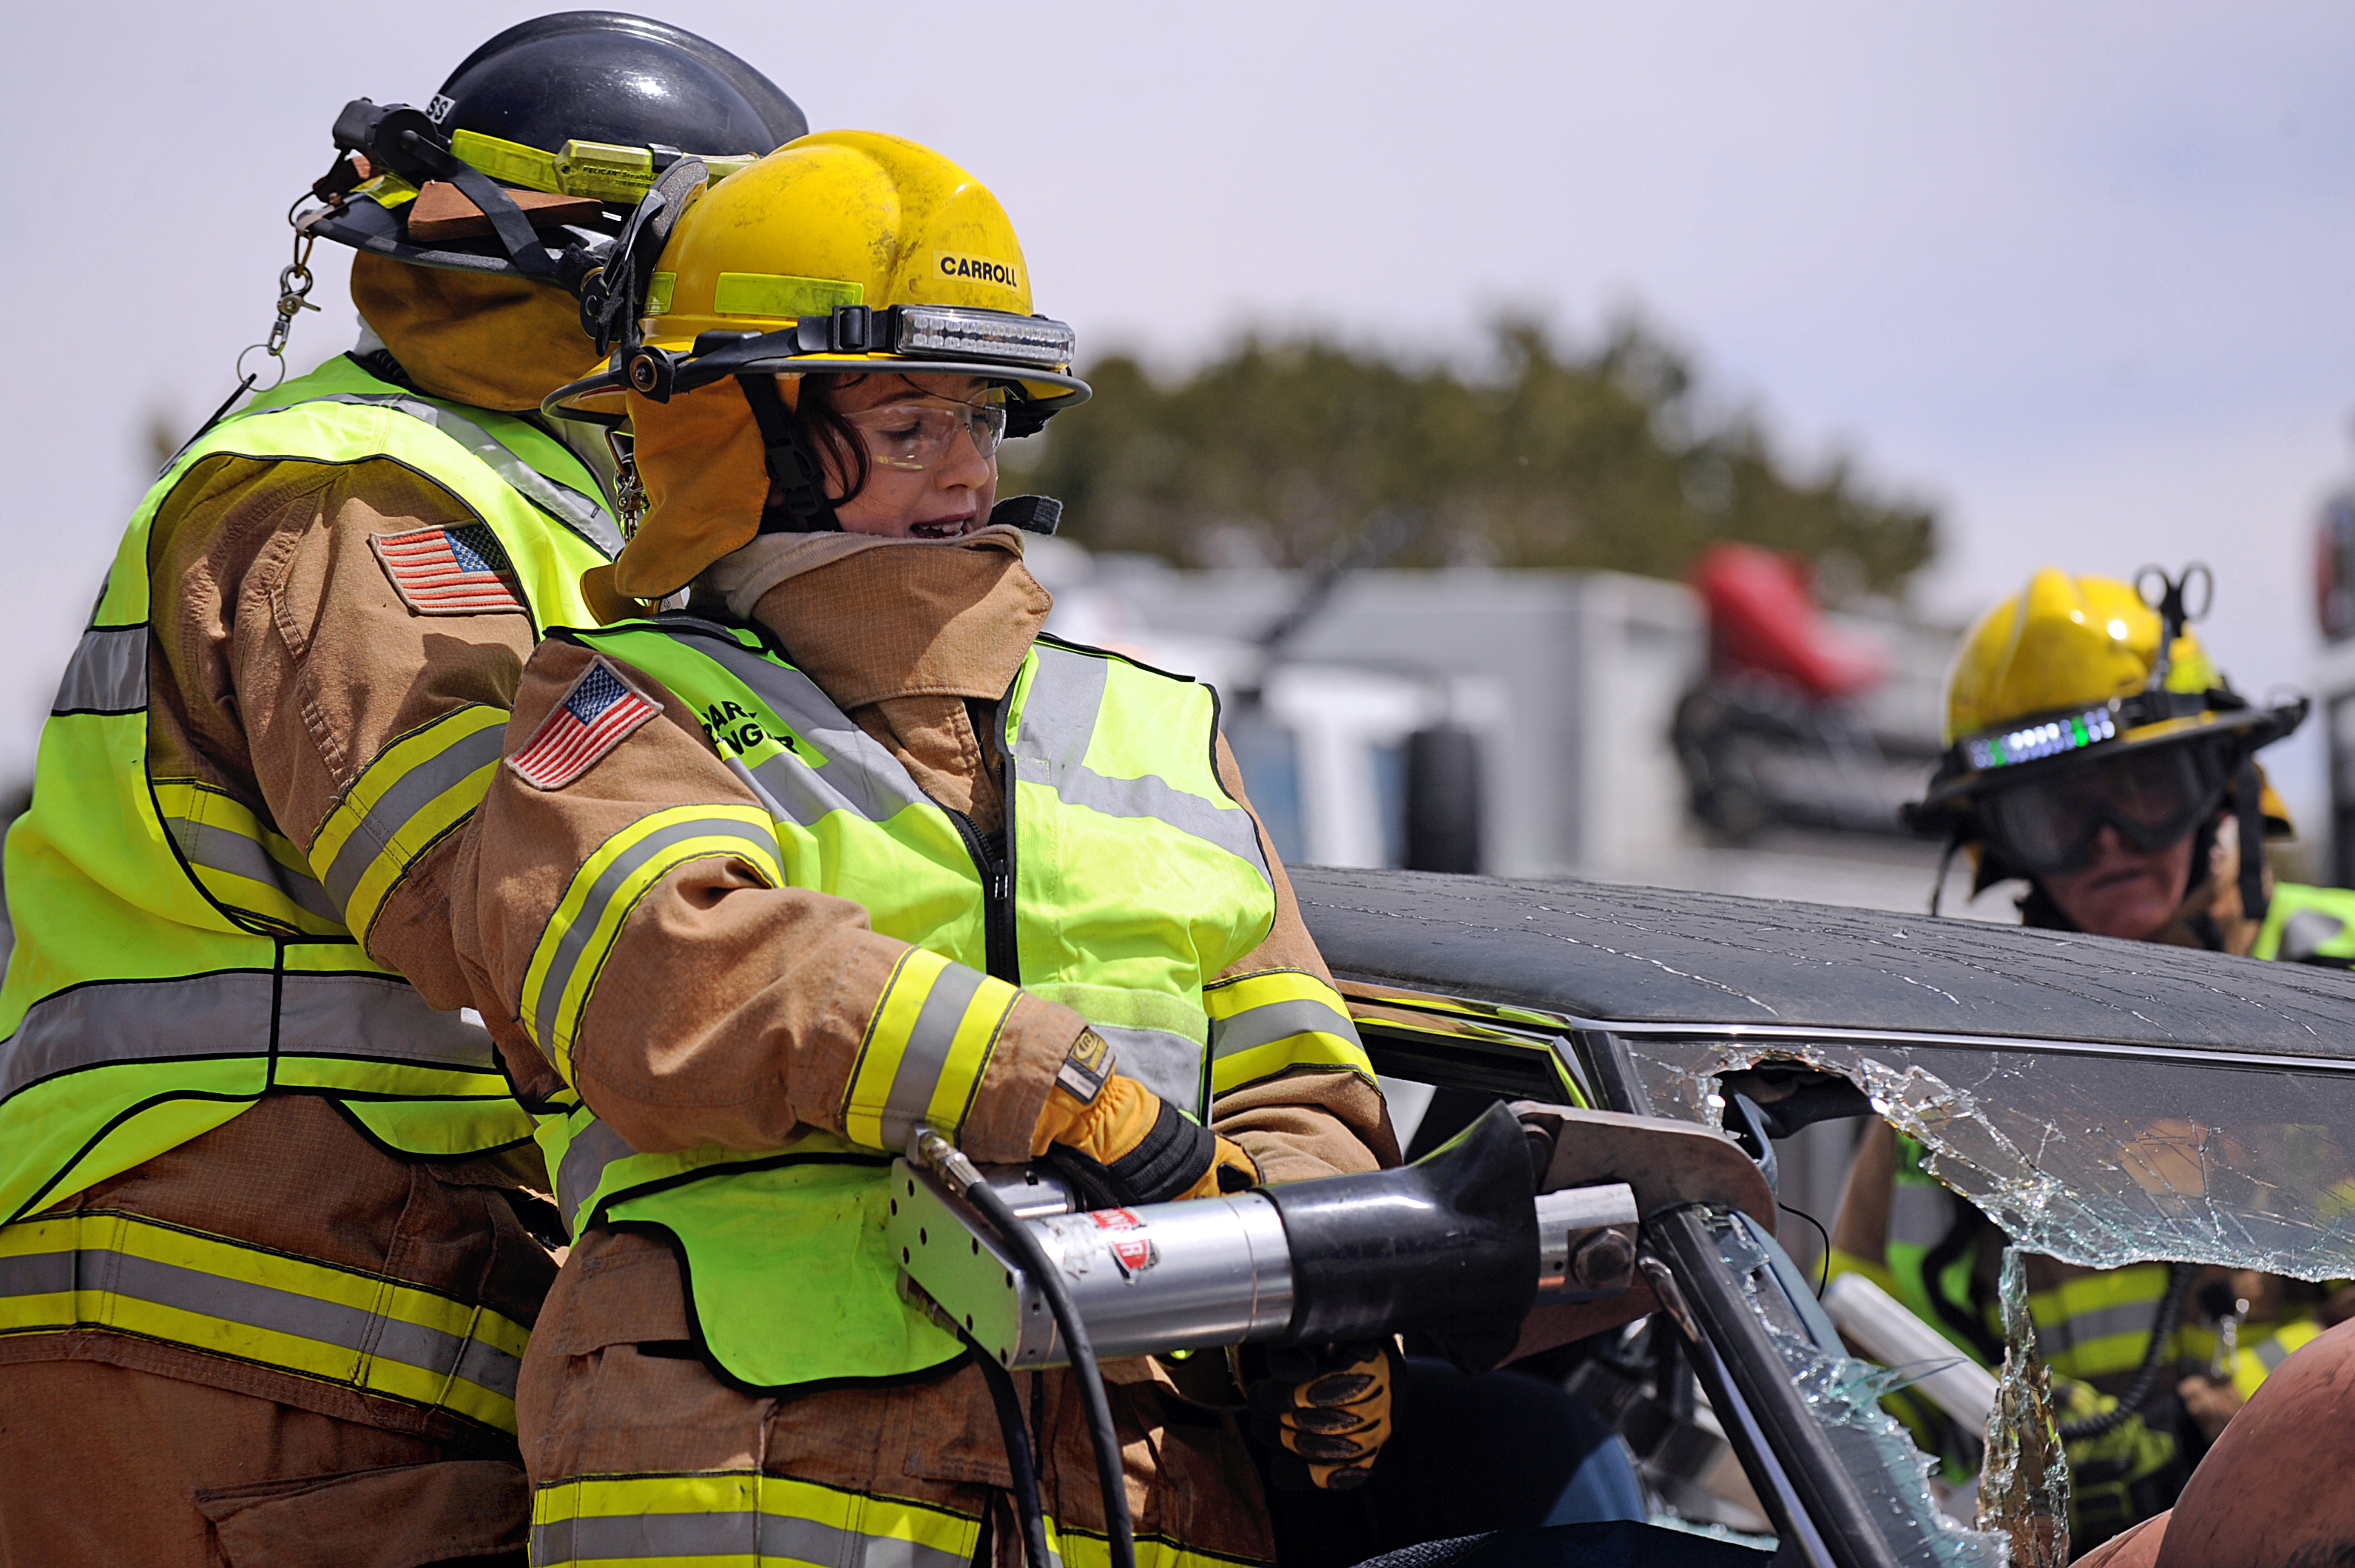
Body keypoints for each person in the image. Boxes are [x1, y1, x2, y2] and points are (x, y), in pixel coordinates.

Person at [445, 129, 1401, 1567]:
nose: (964, 465)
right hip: (750, 1496)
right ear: (731, 434)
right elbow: (675, 973)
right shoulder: (622, 703)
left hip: (1132, 1507)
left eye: (982, 417)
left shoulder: (1153, 727)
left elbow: (1298, 1081)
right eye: (906, 425)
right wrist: (1050, 1087)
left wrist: (1321, 1282)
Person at [0, 17, 804, 1565]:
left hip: (305, 1342)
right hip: (264, 1356)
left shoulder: (493, 489)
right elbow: (518, 908)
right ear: (618, 271)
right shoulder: (369, 505)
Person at [1831, 565, 2337, 1555]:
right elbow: (1862, 1388)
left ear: (2220, 784)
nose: (2109, 842)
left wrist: (2272, 1404)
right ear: (1998, 843)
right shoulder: (1954, 1080)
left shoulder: (2344, 988)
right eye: (2055, 813)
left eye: (2144, 789)